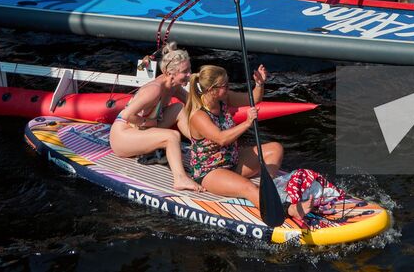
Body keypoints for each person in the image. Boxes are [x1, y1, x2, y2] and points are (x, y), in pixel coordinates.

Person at [179, 63, 302, 218]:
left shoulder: (224, 98)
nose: (228, 87)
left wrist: (259, 84)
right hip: (211, 171)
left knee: (275, 149)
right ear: (211, 90)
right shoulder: (198, 116)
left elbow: (254, 99)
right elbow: (221, 139)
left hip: (233, 160)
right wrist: (247, 123)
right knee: (247, 187)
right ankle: (288, 210)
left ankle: (267, 189)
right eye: (225, 85)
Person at [109, 42, 202, 192]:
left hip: (143, 130)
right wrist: (149, 121)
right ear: (170, 73)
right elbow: (127, 115)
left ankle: (201, 146)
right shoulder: (154, 90)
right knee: (172, 136)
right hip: (122, 136)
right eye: (185, 71)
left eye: (189, 69)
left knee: (179, 108)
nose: (189, 74)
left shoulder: (174, 86)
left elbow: (193, 104)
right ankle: (180, 179)